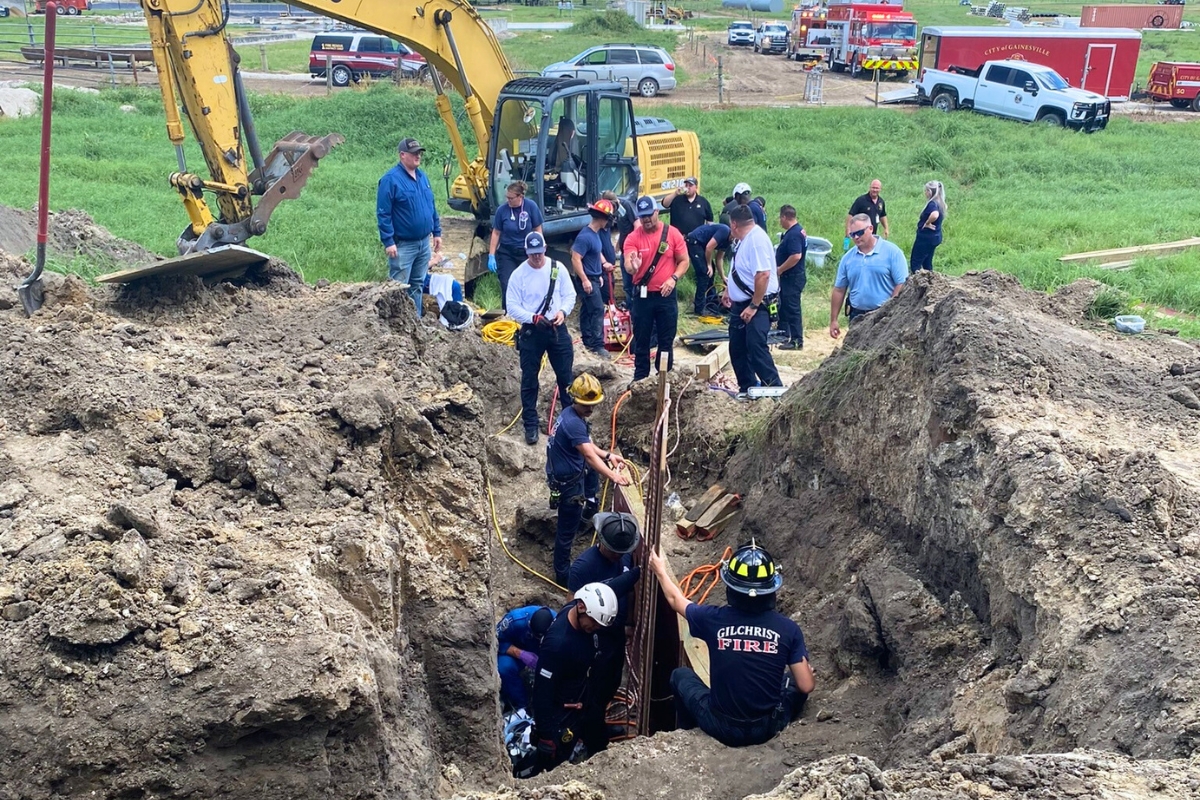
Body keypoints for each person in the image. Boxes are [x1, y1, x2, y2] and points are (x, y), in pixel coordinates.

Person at [648, 541, 815, 748]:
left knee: (679, 675)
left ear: (731, 588)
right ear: (771, 590)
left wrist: (660, 570)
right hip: (766, 728)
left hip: (720, 726)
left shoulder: (712, 619)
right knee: (791, 680)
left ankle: (687, 733)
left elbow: (675, 600)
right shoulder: (788, 629)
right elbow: (806, 685)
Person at [546, 374, 631, 586]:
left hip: (567, 476)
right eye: (586, 405)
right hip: (569, 485)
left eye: (593, 405)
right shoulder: (574, 423)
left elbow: (588, 446)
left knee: (587, 490)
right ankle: (563, 576)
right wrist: (614, 476)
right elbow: (588, 455)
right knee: (566, 532)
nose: (590, 409)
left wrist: (609, 456)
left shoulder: (571, 415)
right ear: (575, 399)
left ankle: (588, 512)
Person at [533, 582, 622, 772]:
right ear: (581, 606)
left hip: (583, 695)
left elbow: (614, 585)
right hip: (564, 711)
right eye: (595, 622)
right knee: (556, 759)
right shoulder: (557, 645)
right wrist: (546, 735)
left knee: (596, 734)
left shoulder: (580, 615)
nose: (597, 627)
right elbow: (542, 692)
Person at [568, 512, 642, 725]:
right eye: (614, 551)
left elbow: (630, 592)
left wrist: (628, 623)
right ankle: (590, 728)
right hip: (594, 637)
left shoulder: (625, 554)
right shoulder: (583, 568)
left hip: (616, 634)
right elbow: (571, 607)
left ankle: (598, 714)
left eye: (623, 552)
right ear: (601, 540)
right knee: (593, 690)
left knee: (612, 680)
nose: (619, 556)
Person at [507, 231, 577, 445]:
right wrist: (532, 317)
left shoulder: (557, 268)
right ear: (527, 252)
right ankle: (530, 424)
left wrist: (563, 312)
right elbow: (511, 306)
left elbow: (569, 295)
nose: (536, 258)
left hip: (556, 329)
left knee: (566, 378)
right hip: (532, 331)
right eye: (532, 254)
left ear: (544, 249)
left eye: (539, 253)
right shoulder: (518, 275)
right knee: (529, 379)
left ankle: (571, 423)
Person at [624, 196, 689, 381]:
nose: (646, 220)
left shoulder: (672, 234)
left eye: (649, 215)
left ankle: (663, 377)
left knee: (666, 339)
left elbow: (684, 261)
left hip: (665, 294)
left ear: (657, 212)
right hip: (643, 296)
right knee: (641, 339)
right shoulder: (633, 237)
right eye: (643, 216)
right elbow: (629, 264)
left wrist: (673, 278)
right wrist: (633, 266)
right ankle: (640, 378)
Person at [376, 137, 442, 318]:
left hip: (422, 243)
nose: (417, 156)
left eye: (419, 153)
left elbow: (431, 205)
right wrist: (388, 241)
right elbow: (383, 213)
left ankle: (415, 322)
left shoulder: (422, 177)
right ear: (402, 155)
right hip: (403, 245)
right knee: (398, 287)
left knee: (417, 284)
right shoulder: (391, 180)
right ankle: (394, 325)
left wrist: (437, 232)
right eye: (414, 153)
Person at [722, 205, 782, 399]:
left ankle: (774, 389)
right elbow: (740, 270)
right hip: (742, 303)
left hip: (758, 303)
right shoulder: (743, 240)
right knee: (737, 348)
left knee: (756, 346)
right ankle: (747, 387)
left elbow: (763, 275)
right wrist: (728, 290)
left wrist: (754, 306)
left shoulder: (756, 241)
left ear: (733, 224)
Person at [829, 213, 908, 339]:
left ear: (870, 228)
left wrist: (890, 309)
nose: (856, 237)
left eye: (860, 232)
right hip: (856, 315)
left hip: (883, 315)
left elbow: (902, 283)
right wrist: (833, 320)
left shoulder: (892, 252)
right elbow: (839, 289)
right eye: (852, 234)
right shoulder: (847, 258)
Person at [572, 200, 618, 359]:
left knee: (587, 309)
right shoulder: (585, 236)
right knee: (598, 308)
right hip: (587, 279)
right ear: (603, 218)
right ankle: (597, 345)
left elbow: (594, 254)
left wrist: (599, 271)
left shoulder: (595, 235)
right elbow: (576, 258)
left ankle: (587, 341)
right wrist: (585, 280)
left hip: (594, 277)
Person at [489, 181, 544, 309]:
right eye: (506, 197)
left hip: (526, 253)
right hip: (507, 252)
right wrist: (491, 255)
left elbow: (538, 229)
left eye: (511, 198)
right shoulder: (502, 210)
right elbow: (496, 233)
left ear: (520, 197)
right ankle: (508, 314)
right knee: (507, 284)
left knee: (528, 285)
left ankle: (528, 313)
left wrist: (539, 250)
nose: (508, 200)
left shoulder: (531, 207)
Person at [497, 605, 556, 713]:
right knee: (504, 668)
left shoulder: (558, 625)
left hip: (543, 654)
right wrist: (520, 654)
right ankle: (521, 705)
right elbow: (497, 641)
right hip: (517, 651)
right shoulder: (515, 620)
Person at [775, 205, 807, 351]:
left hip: (792, 277)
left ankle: (796, 340)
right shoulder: (796, 231)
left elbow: (796, 256)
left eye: (780, 218)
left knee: (792, 308)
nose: (779, 221)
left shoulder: (794, 234)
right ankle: (784, 333)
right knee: (786, 306)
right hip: (791, 277)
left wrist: (780, 269)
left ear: (784, 217)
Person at [685, 222, 732, 316]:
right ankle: (699, 308)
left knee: (711, 272)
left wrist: (723, 276)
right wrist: (709, 264)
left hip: (702, 245)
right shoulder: (725, 231)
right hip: (694, 241)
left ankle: (711, 302)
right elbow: (709, 248)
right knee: (704, 273)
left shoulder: (729, 241)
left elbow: (719, 258)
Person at [910, 180, 947, 273]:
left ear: (930, 192)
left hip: (925, 238)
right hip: (935, 237)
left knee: (916, 263)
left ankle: (915, 282)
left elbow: (935, 214)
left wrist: (927, 223)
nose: (925, 193)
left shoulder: (932, 204)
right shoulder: (941, 203)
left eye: (926, 190)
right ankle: (930, 282)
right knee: (927, 262)